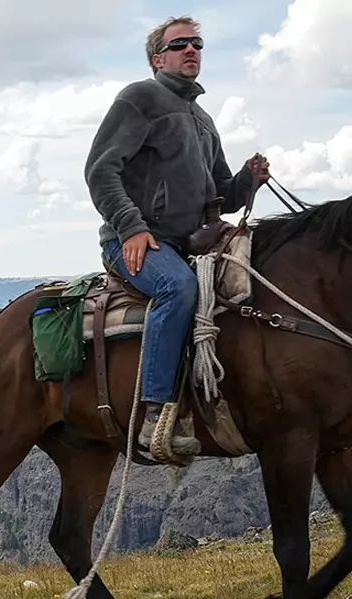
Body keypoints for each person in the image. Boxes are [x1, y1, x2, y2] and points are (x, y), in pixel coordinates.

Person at [83, 15, 269, 456]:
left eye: (197, 43)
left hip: (189, 242)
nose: (191, 50)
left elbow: (220, 194)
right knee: (177, 286)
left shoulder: (202, 118)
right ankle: (154, 412)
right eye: (180, 43)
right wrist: (131, 227)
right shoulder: (139, 98)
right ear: (157, 57)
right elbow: (100, 170)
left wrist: (247, 180)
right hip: (137, 241)